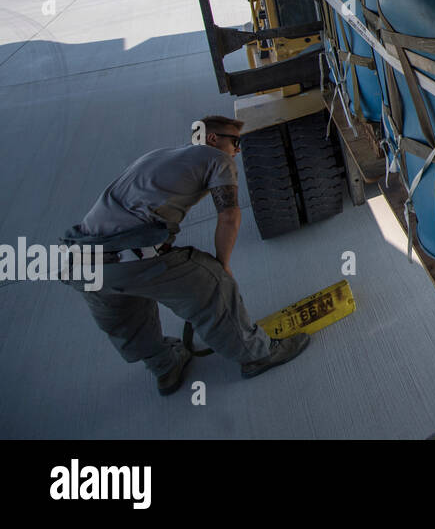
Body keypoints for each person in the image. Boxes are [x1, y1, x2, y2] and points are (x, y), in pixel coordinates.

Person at [62, 115, 311, 395]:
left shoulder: (158, 156)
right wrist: (223, 265)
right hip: (130, 257)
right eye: (235, 142)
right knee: (212, 284)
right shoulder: (215, 158)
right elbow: (229, 216)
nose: (238, 151)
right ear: (212, 139)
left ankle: (165, 366)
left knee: (127, 316)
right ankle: (256, 355)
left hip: (78, 264)